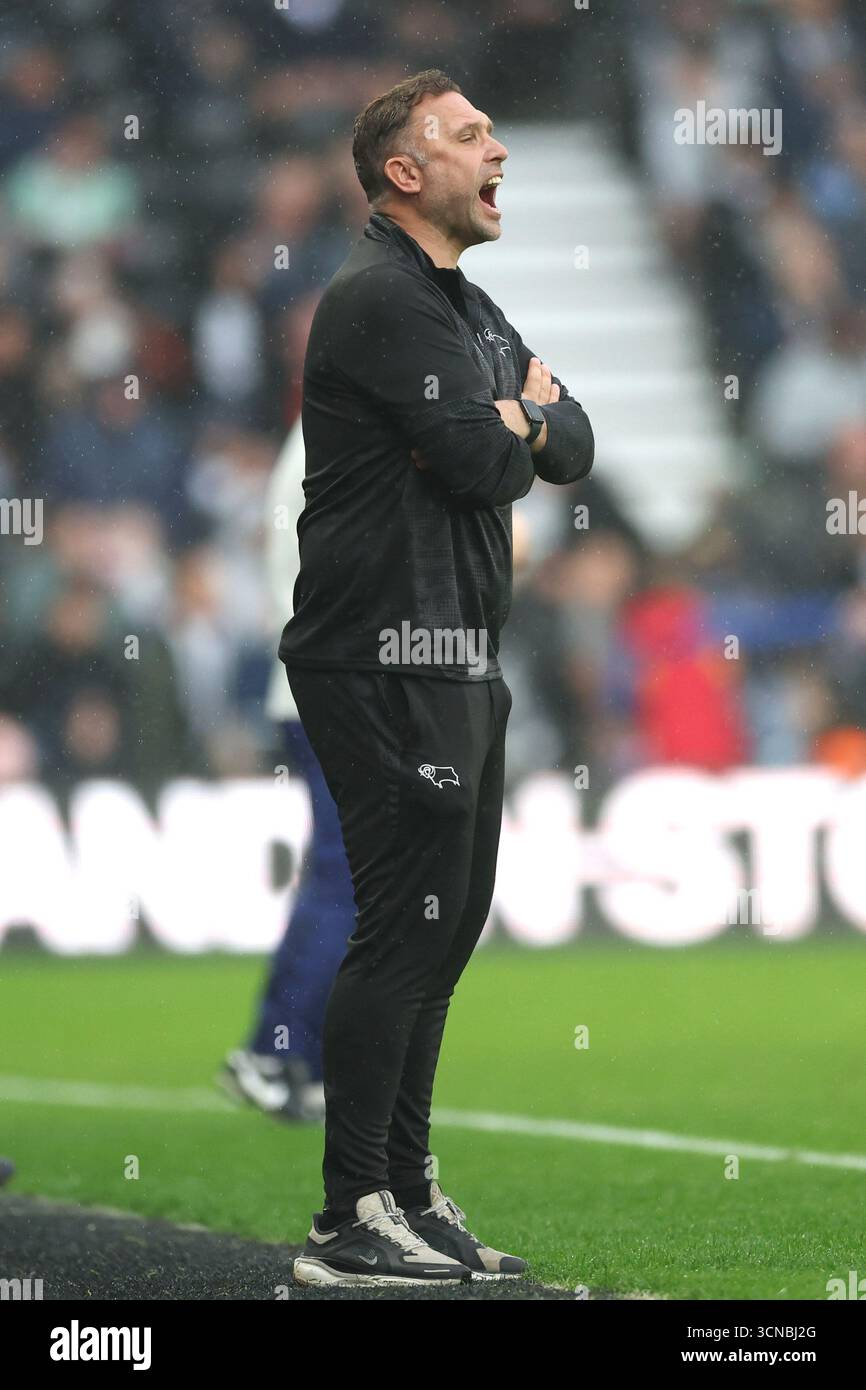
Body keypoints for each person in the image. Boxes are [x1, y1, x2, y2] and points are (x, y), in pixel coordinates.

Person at [280, 70, 594, 1287]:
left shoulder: (461, 307)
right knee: (403, 927)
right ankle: (346, 1213)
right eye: (469, 136)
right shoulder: (378, 299)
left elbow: (571, 441)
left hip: (457, 653)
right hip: (381, 652)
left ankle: (405, 1193)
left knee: (445, 928)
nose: (497, 149)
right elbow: (484, 461)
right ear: (404, 173)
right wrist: (513, 419)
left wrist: (516, 418)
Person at [220, 421, 355, 1122]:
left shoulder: (320, 429)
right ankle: (278, 1048)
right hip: (333, 684)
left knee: (344, 874)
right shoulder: (348, 427)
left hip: (313, 679)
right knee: (348, 876)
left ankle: (298, 1053)